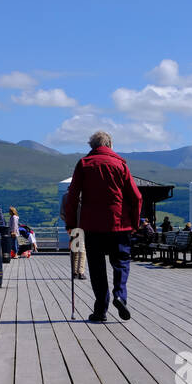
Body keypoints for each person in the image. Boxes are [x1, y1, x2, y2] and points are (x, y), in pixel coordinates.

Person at [61, 130, 142, 322]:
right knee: (121, 262)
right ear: (110, 145)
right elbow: (136, 197)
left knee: (97, 268)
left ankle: (100, 311)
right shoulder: (120, 164)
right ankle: (119, 295)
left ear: (92, 146)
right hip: (119, 224)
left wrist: (71, 224)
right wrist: (134, 223)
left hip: (92, 225)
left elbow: (72, 197)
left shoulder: (84, 164)